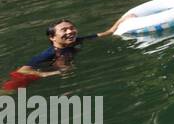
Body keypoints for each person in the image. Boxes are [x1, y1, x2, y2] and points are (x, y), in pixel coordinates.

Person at [4, 14, 132, 91]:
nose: (70, 32)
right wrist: (52, 73)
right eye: (64, 30)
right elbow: (22, 70)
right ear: (52, 37)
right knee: (7, 93)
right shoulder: (49, 53)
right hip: (23, 78)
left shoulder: (78, 41)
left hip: (46, 75)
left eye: (71, 28)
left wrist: (123, 19)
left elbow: (107, 32)